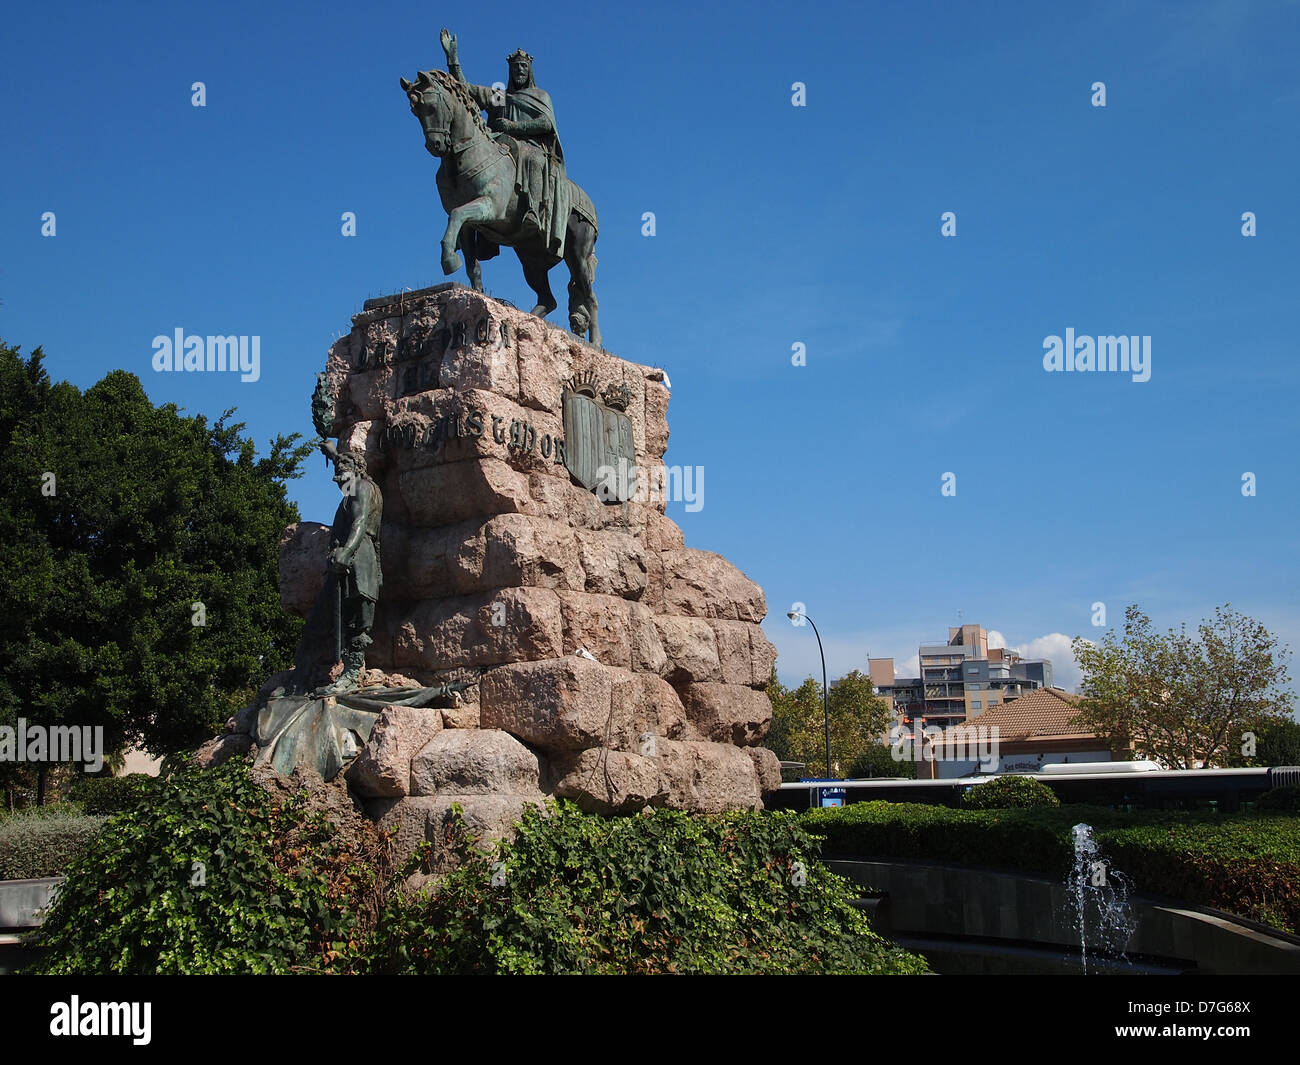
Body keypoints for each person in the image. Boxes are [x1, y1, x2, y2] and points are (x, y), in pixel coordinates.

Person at [440, 28, 572, 260]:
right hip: (502, 144)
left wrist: (513, 127)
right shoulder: (501, 96)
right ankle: (484, 228)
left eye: (522, 67)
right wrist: (453, 61)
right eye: (514, 67)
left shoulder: (540, 95)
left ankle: (533, 211)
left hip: (531, 146)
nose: (518, 70)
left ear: (529, 70)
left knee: (532, 158)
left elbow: (546, 123)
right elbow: (466, 90)